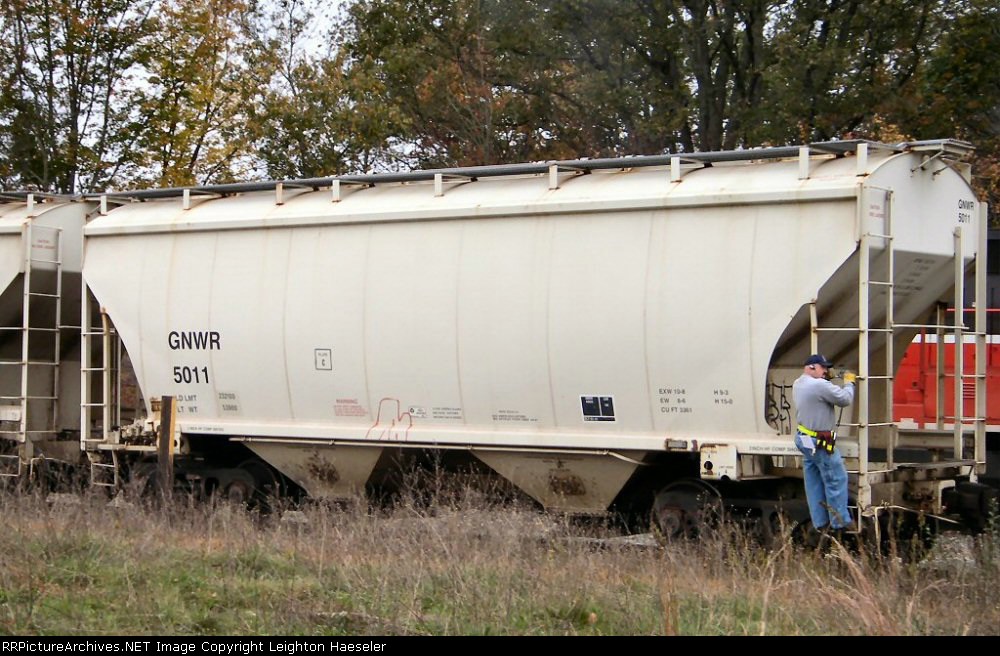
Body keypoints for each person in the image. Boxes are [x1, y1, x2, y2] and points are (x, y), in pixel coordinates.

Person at [792, 353, 856, 536]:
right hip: (819, 441)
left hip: (804, 438)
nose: (826, 371)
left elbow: (821, 392)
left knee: (813, 480)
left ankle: (820, 523)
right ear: (811, 367)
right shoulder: (819, 385)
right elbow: (845, 399)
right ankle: (840, 522)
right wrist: (849, 382)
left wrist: (826, 378)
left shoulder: (799, 383)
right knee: (835, 477)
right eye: (823, 368)